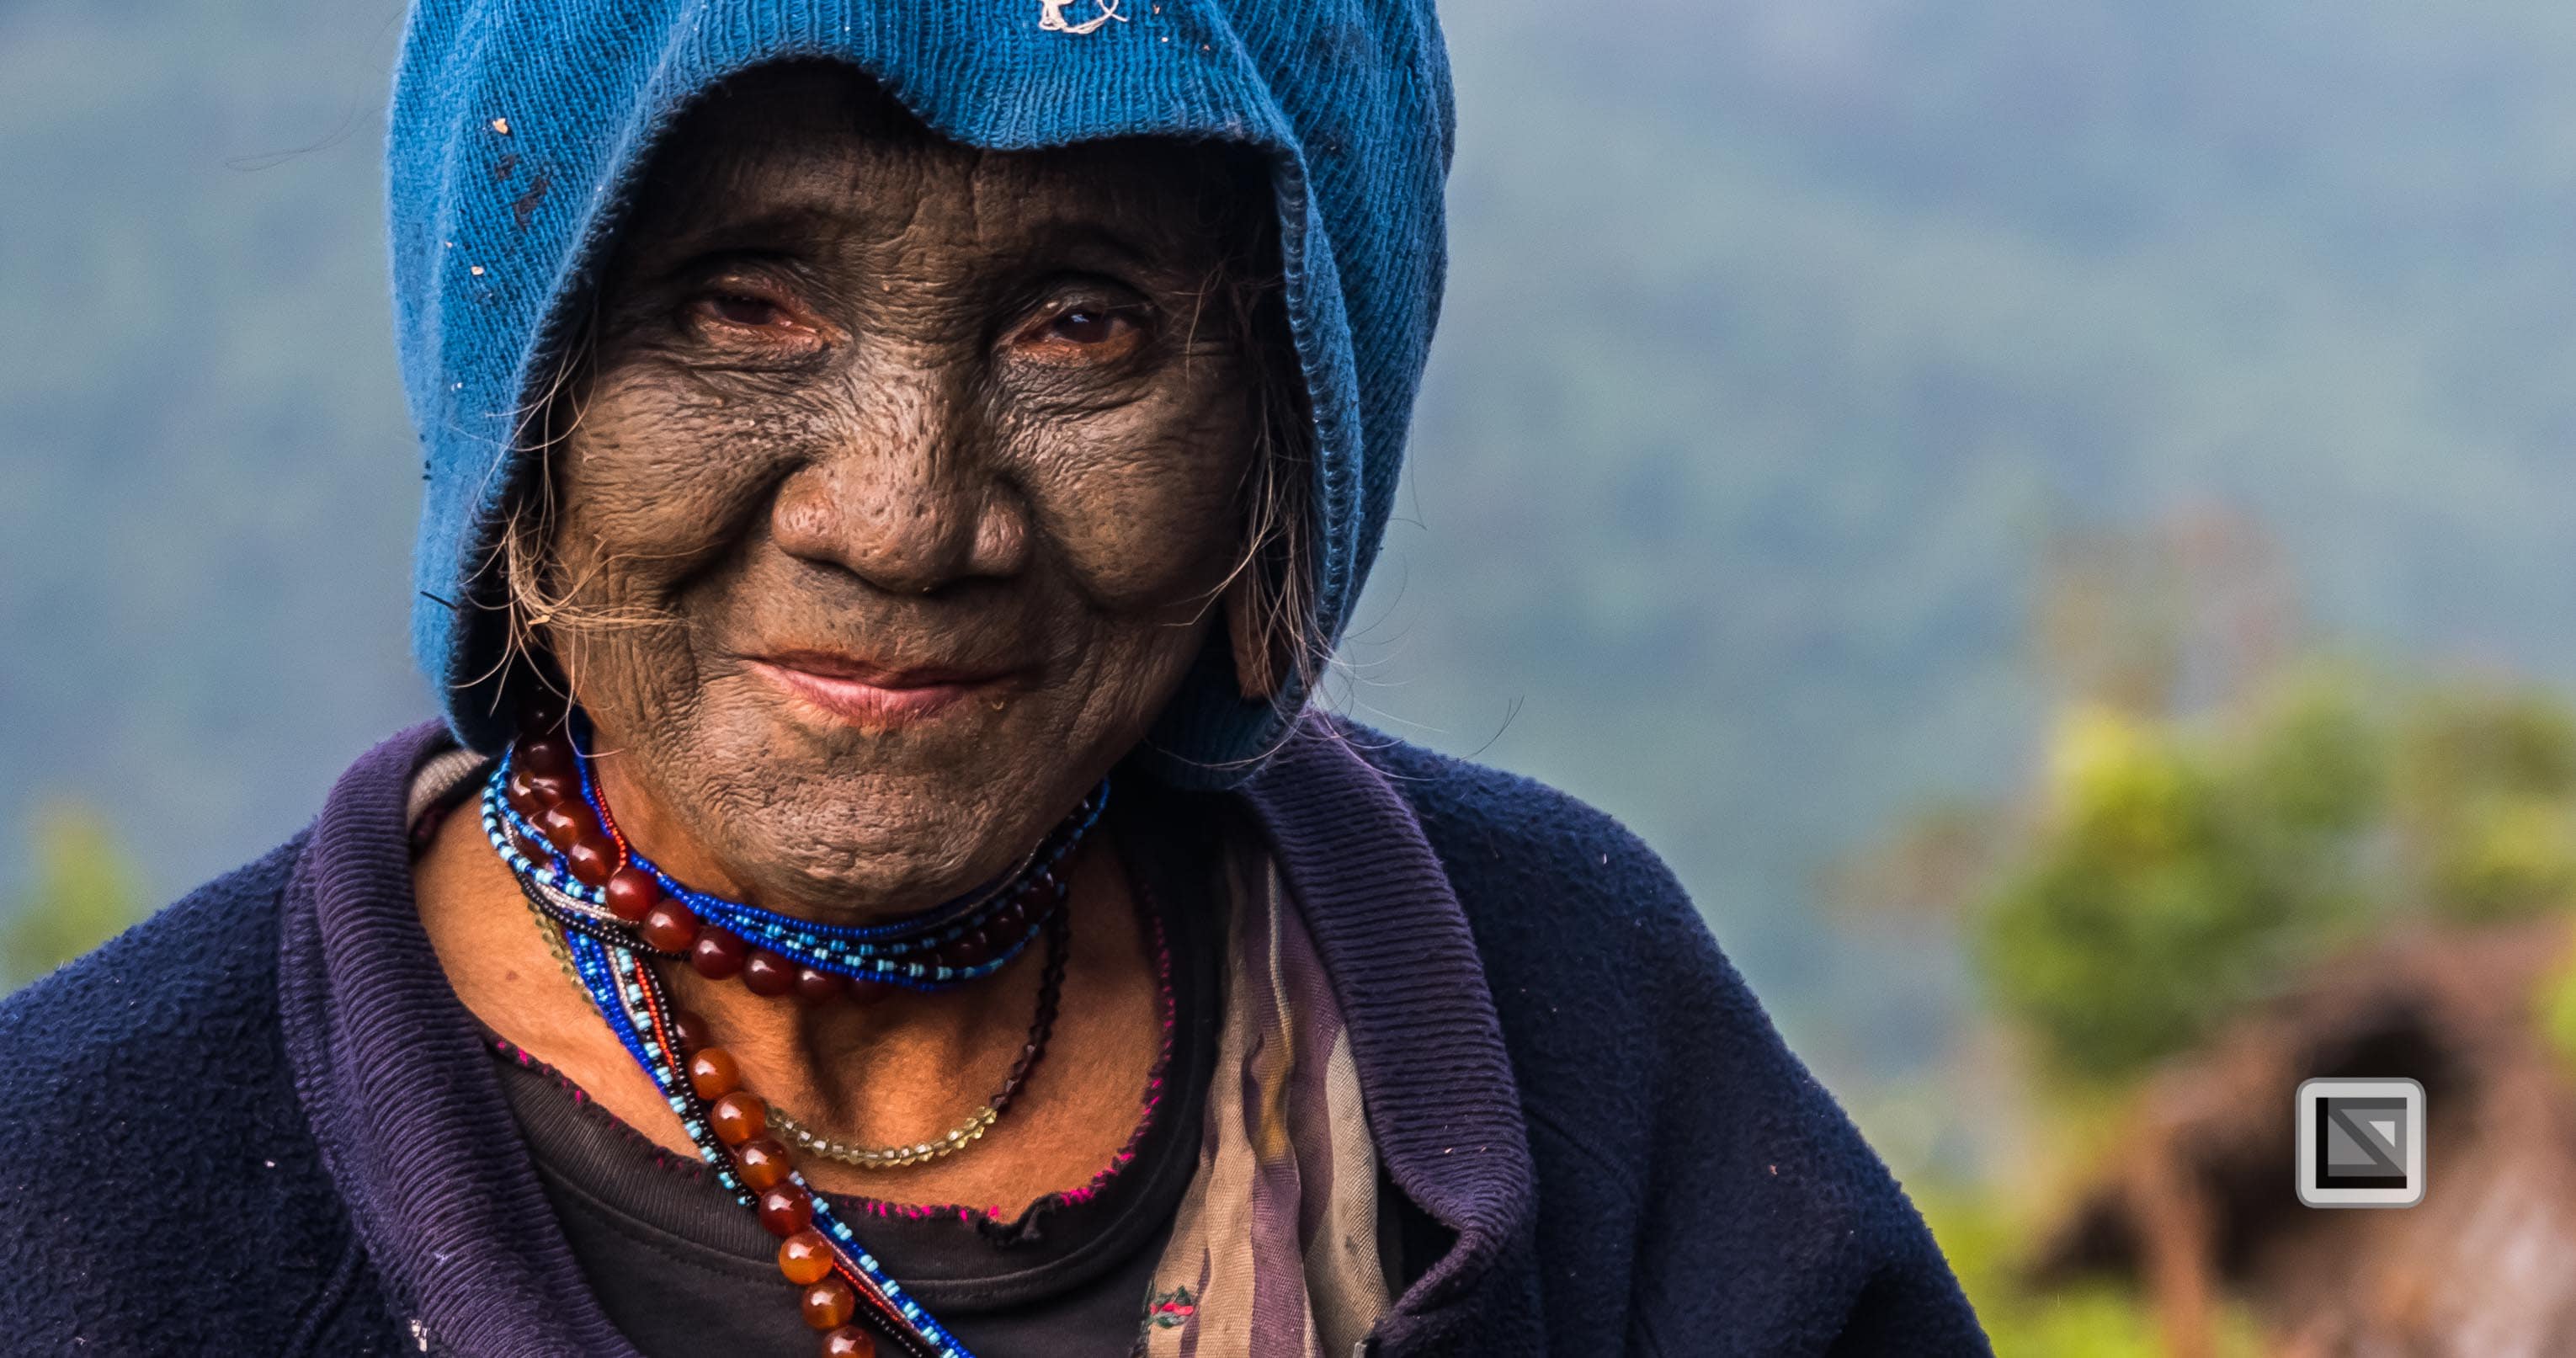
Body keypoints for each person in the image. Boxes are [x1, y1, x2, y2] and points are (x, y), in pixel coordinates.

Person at [0, 3, 1987, 1355]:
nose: (903, 515)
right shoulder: (84, 1202)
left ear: (1286, 428)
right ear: (518, 376)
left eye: (1081, 322)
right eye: (738, 303)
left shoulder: (1558, 1016)